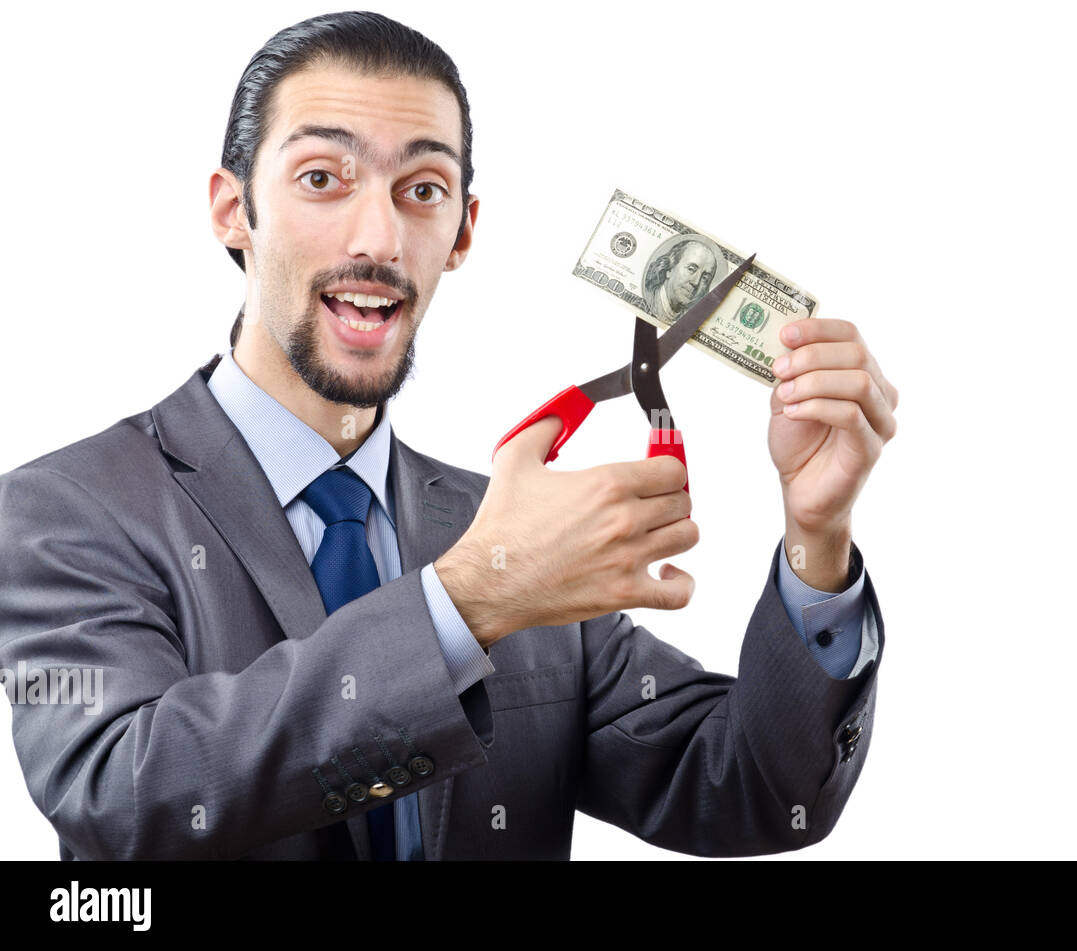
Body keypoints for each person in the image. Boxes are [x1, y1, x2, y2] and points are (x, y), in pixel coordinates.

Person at [0, 11, 899, 860]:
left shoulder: (512, 527)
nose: (380, 237)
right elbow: (119, 789)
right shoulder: (59, 510)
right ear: (233, 210)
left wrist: (817, 539)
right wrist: (468, 601)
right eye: (322, 178)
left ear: (463, 229)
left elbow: (756, 788)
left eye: (422, 189)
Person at [643, 237, 718, 321]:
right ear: (670, 269)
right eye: (691, 269)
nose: (696, 282)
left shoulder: (690, 320)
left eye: (705, 278)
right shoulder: (646, 299)